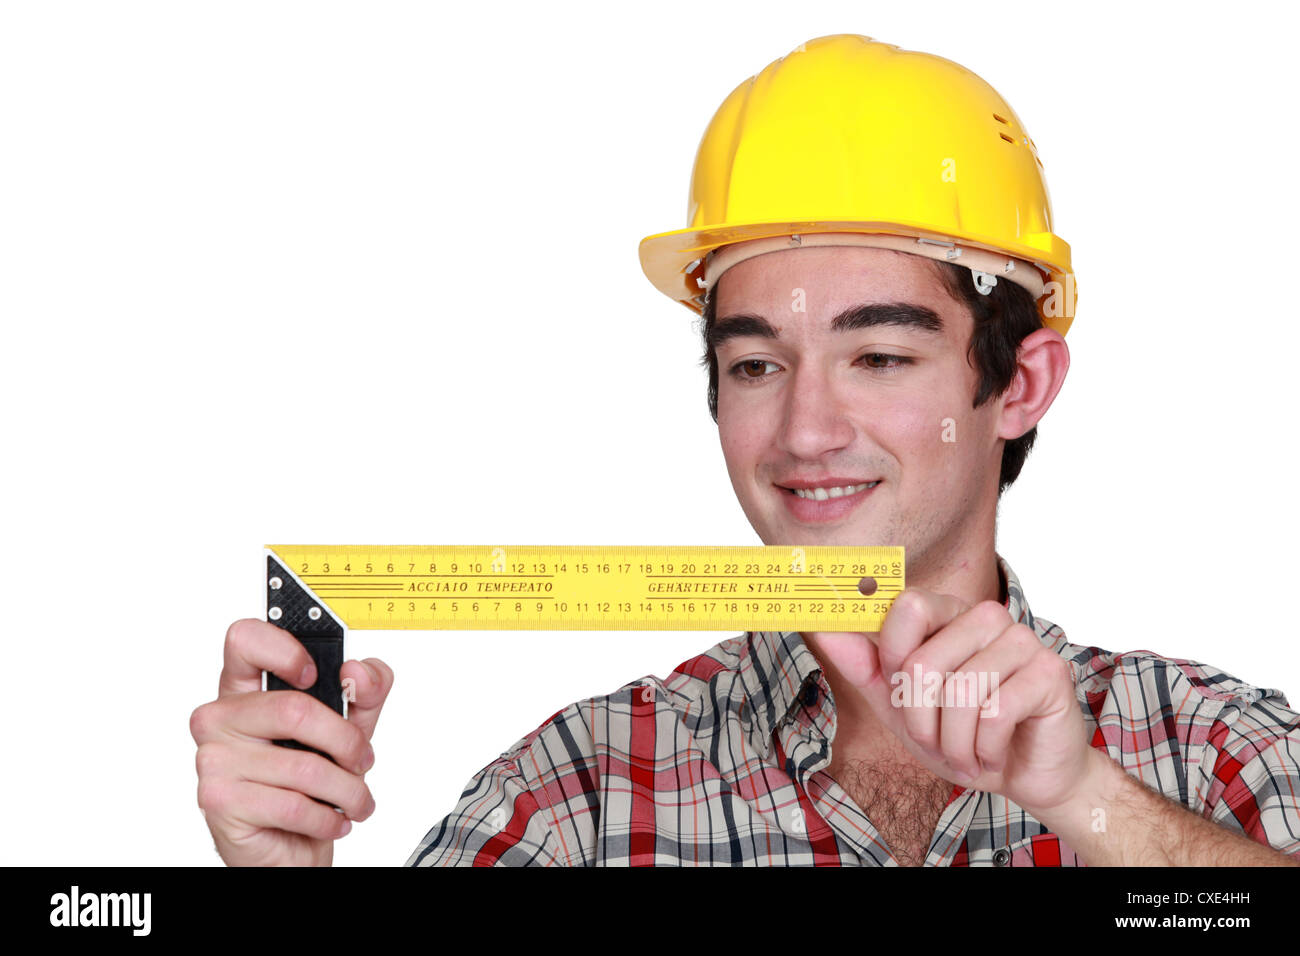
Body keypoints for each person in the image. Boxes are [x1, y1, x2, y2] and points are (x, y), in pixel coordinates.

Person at [191, 34, 1300, 866]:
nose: (805, 432)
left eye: (879, 357)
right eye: (757, 364)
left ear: (1018, 383)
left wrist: (1086, 797)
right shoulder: (580, 798)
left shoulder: (1211, 753)